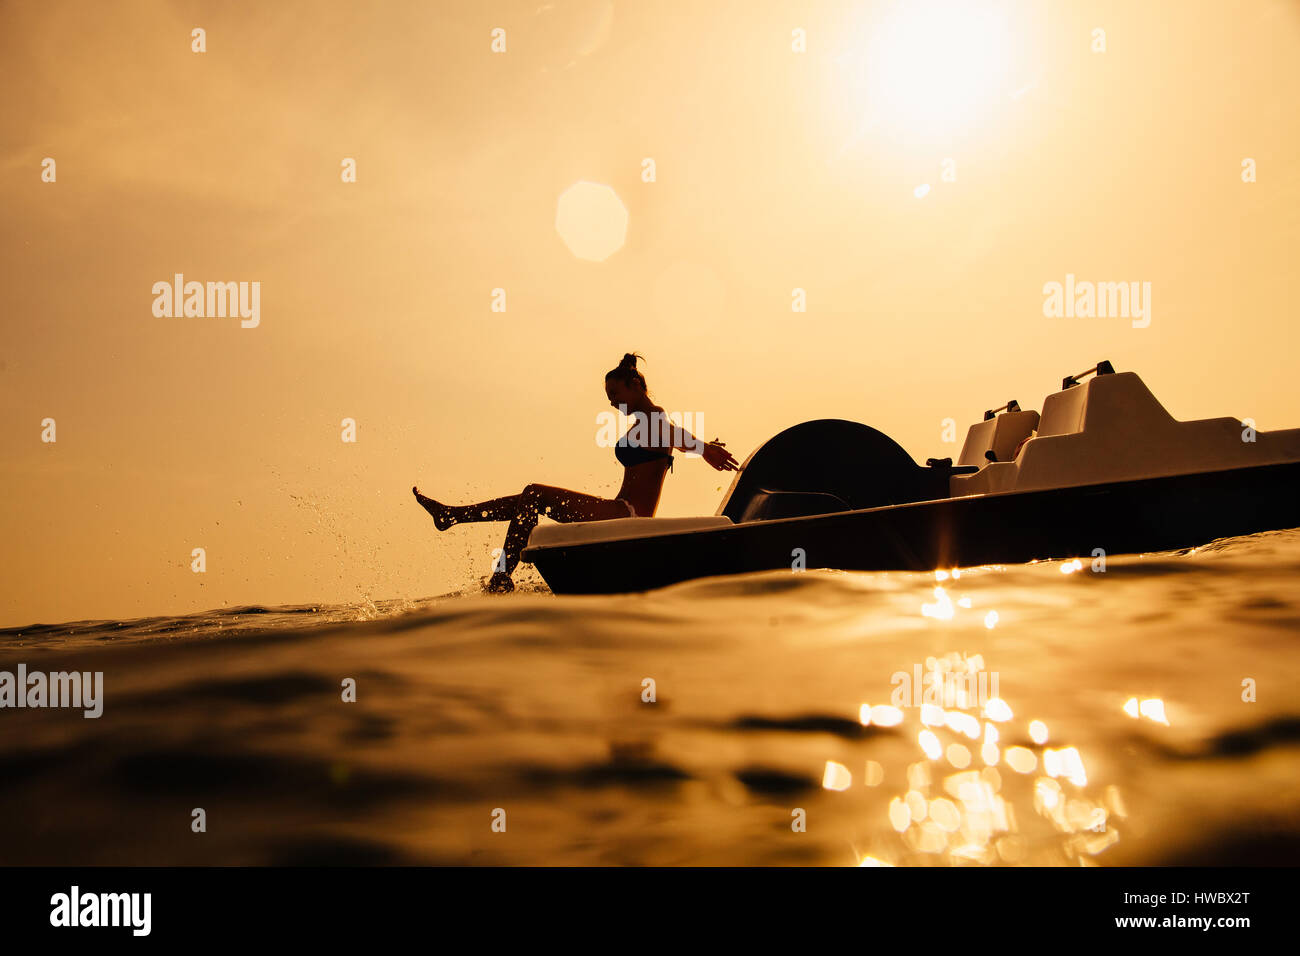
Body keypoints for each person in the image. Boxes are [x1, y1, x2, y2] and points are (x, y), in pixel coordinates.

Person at [413, 353, 739, 592]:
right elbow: (673, 439)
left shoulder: (655, 421)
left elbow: (674, 434)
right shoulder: (647, 423)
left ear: (636, 385)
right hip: (619, 509)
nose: (612, 403)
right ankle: (457, 520)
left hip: (627, 515)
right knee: (531, 498)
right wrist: (702, 446)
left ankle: (497, 570)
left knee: (534, 493)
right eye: (609, 398)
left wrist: (704, 448)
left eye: (616, 395)